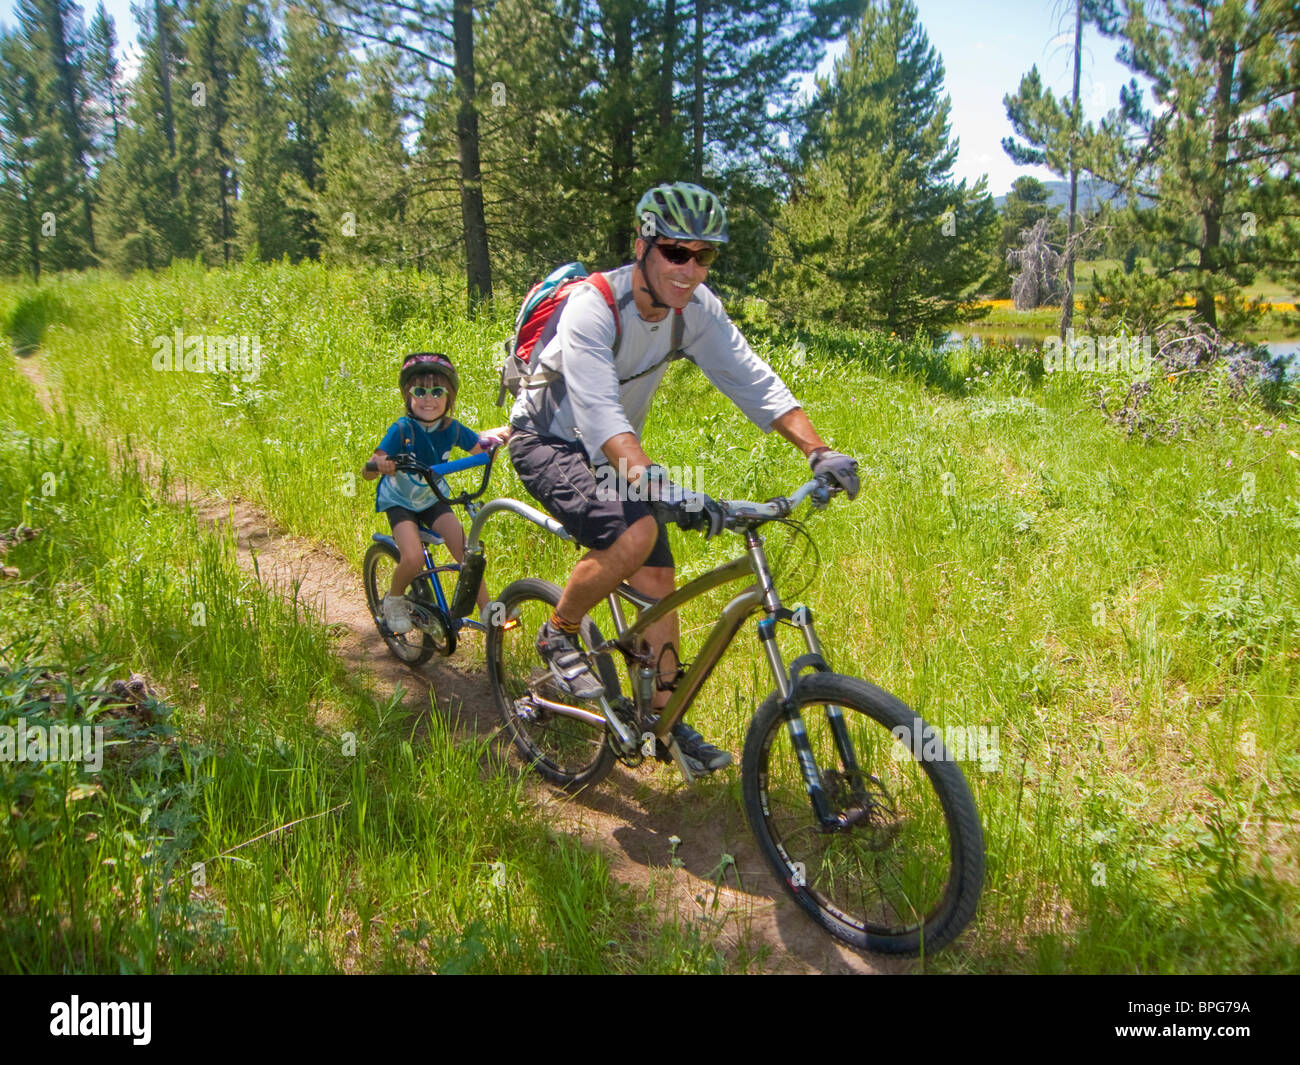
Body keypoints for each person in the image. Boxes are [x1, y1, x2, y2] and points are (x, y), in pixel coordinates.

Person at [507, 182, 859, 773]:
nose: (690, 268)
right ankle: (560, 631)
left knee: (660, 574)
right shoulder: (593, 306)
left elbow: (752, 379)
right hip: (547, 441)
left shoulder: (694, 310)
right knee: (636, 534)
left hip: (611, 455)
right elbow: (599, 419)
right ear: (643, 244)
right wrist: (660, 488)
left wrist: (818, 451)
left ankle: (662, 721)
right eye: (676, 251)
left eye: (705, 255)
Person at [364, 352, 509, 634]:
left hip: (433, 497)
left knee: (467, 552)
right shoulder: (401, 429)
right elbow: (368, 470)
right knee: (414, 558)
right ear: (408, 396)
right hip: (400, 501)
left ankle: (488, 609)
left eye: (437, 391)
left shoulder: (451, 428)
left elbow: (479, 448)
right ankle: (393, 600)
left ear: (448, 397)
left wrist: (498, 439)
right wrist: (379, 464)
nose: (428, 399)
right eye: (420, 391)